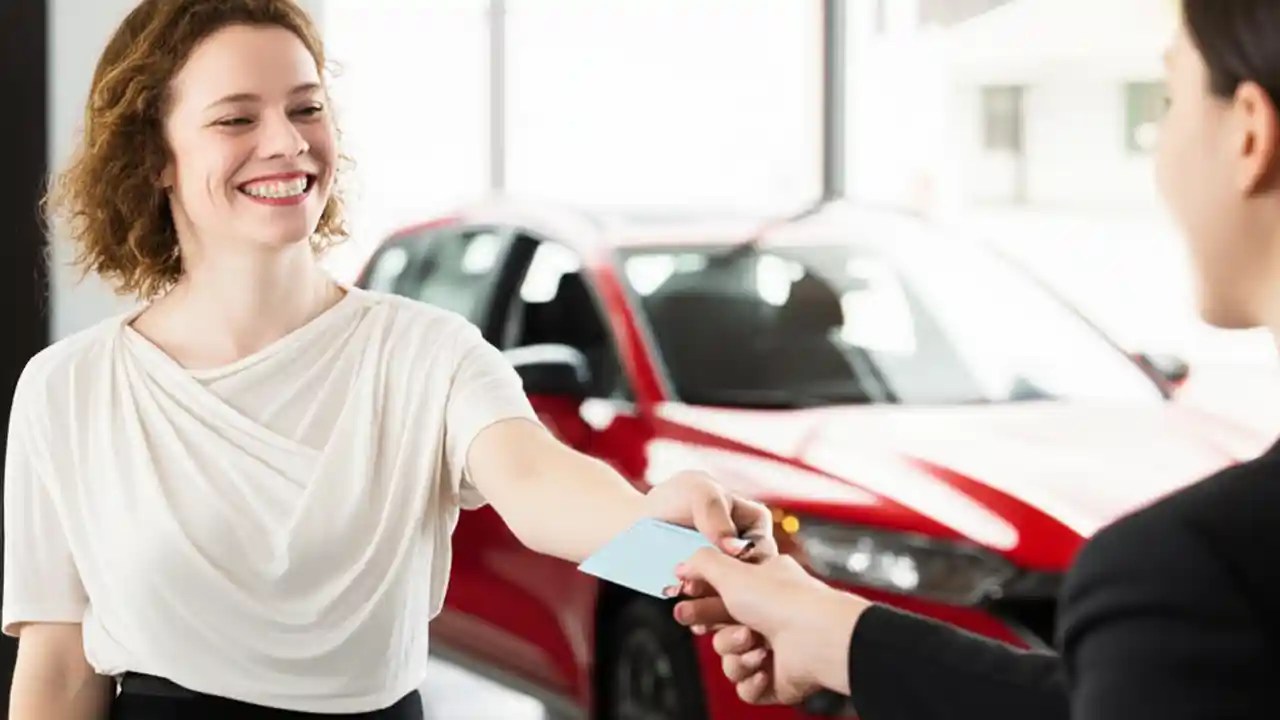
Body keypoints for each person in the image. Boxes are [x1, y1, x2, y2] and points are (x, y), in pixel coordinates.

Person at [0, 1, 776, 718]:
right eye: (236, 118)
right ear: (156, 158)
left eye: (306, 107)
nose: (286, 142)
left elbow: (542, 491)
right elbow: (61, 664)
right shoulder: (69, 389)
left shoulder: (426, 354)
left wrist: (675, 546)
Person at [671, 2, 1280, 718]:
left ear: (1248, 130)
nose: (1157, 149)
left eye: (1170, 99)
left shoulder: (1191, 572)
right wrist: (836, 634)